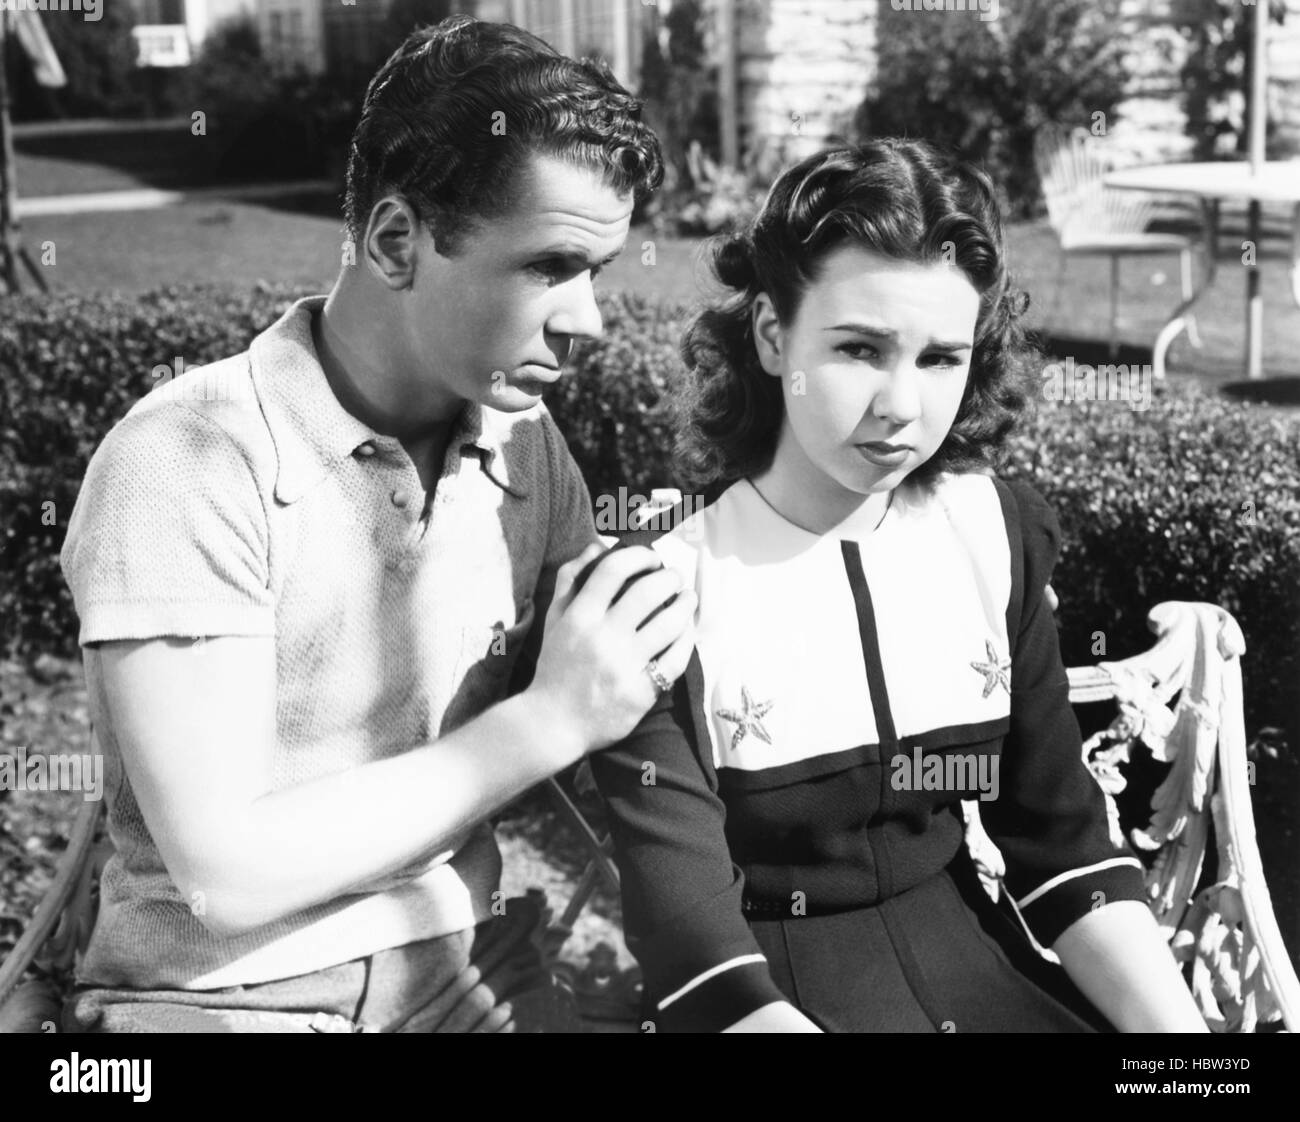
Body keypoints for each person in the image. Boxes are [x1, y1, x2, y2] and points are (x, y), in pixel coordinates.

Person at [57, 16, 695, 1033]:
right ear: (398, 242)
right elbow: (225, 875)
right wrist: (545, 722)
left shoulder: (527, 447)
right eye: (549, 266)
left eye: (598, 273)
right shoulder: (190, 457)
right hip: (228, 1003)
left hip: (468, 970)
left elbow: (632, 687)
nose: (589, 320)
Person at [590, 139, 1209, 1033]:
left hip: (987, 976)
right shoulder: (660, 587)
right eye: (859, 349)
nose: (902, 407)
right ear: (772, 336)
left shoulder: (992, 533)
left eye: (939, 358)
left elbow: (1064, 855)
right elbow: (695, 953)